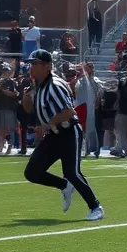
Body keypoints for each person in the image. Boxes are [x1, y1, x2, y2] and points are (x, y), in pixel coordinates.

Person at [21, 50, 104, 220]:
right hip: (53, 135)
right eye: (31, 64)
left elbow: (68, 112)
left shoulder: (55, 85)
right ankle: (64, 186)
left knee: (72, 172)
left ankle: (96, 207)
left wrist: (47, 124)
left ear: (47, 67)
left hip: (68, 132)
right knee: (32, 172)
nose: (31, 68)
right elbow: (28, 108)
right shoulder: (38, 85)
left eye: (35, 64)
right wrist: (27, 94)